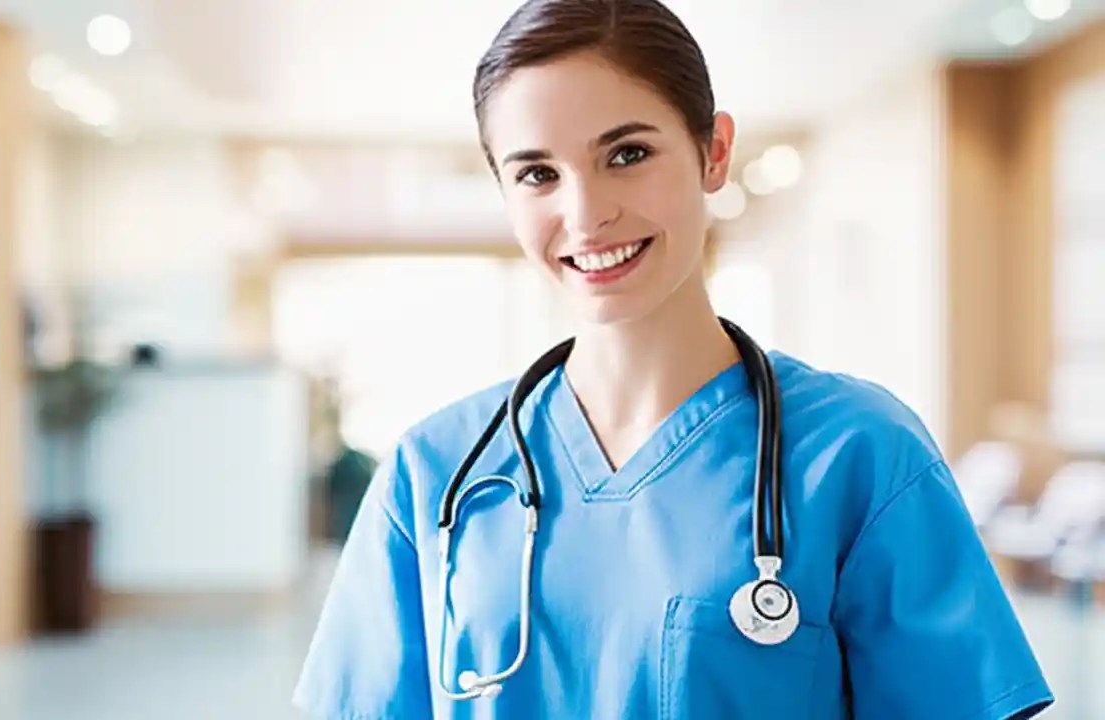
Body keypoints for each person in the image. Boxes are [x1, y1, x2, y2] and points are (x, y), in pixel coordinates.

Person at [292, 1, 1055, 718]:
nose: (586, 214)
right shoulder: (434, 472)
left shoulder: (857, 453)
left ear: (713, 152)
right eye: (537, 173)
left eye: (626, 154)